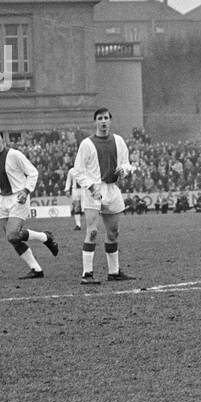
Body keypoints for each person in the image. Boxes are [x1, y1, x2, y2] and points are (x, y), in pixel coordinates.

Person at [0, 126, 59, 279]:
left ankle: (45, 237)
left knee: (13, 235)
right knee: (12, 239)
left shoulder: (14, 155)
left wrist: (26, 191)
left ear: (2, 138)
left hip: (18, 198)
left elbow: (33, 172)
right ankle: (36, 269)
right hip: (2, 200)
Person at [73, 107, 135, 284]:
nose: (103, 121)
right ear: (95, 122)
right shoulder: (87, 143)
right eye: (100, 118)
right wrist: (91, 186)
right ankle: (87, 274)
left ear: (110, 120)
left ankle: (114, 272)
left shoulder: (119, 141)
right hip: (94, 190)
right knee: (92, 231)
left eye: (106, 118)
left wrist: (124, 170)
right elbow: (78, 170)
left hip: (112, 189)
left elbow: (127, 164)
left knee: (113, 232)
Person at [64, 165, 83, 230]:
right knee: (76, 207)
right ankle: (78, 225)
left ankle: (91, 225)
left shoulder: (85, 168)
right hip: (75, 190)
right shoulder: (71, 171)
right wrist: (67, 190)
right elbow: (68, 181)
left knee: (87, 208)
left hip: (85, 189)